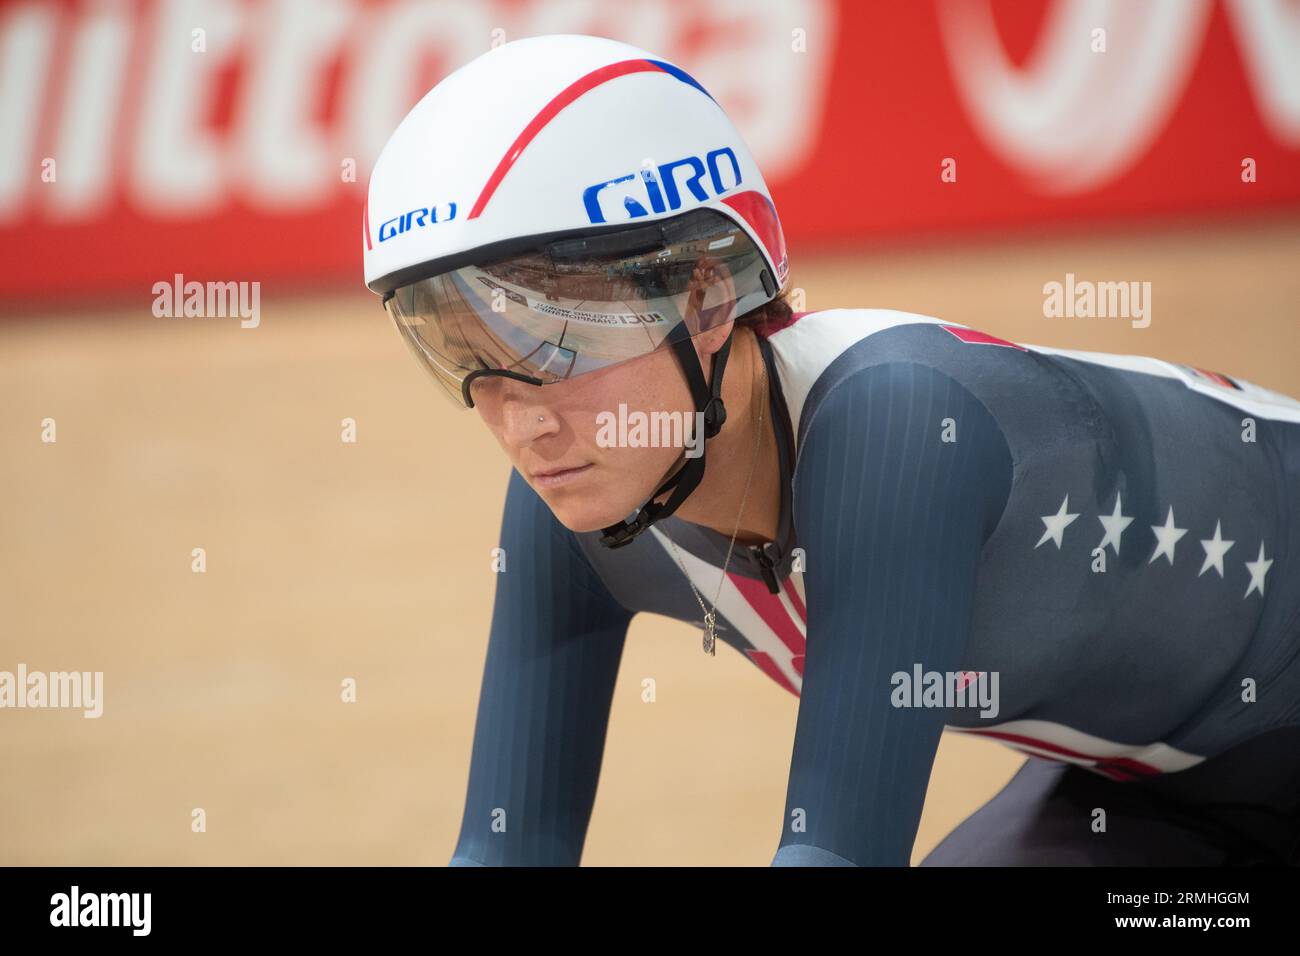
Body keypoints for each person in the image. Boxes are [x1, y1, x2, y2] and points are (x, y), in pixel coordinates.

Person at [362, 34, 1300, 866]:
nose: (519, 421)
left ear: (705, 301)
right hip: (1154, 793)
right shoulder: (578, 496)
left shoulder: (897, 427)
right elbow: (505, 845)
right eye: (461, 353)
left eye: (556, 341)